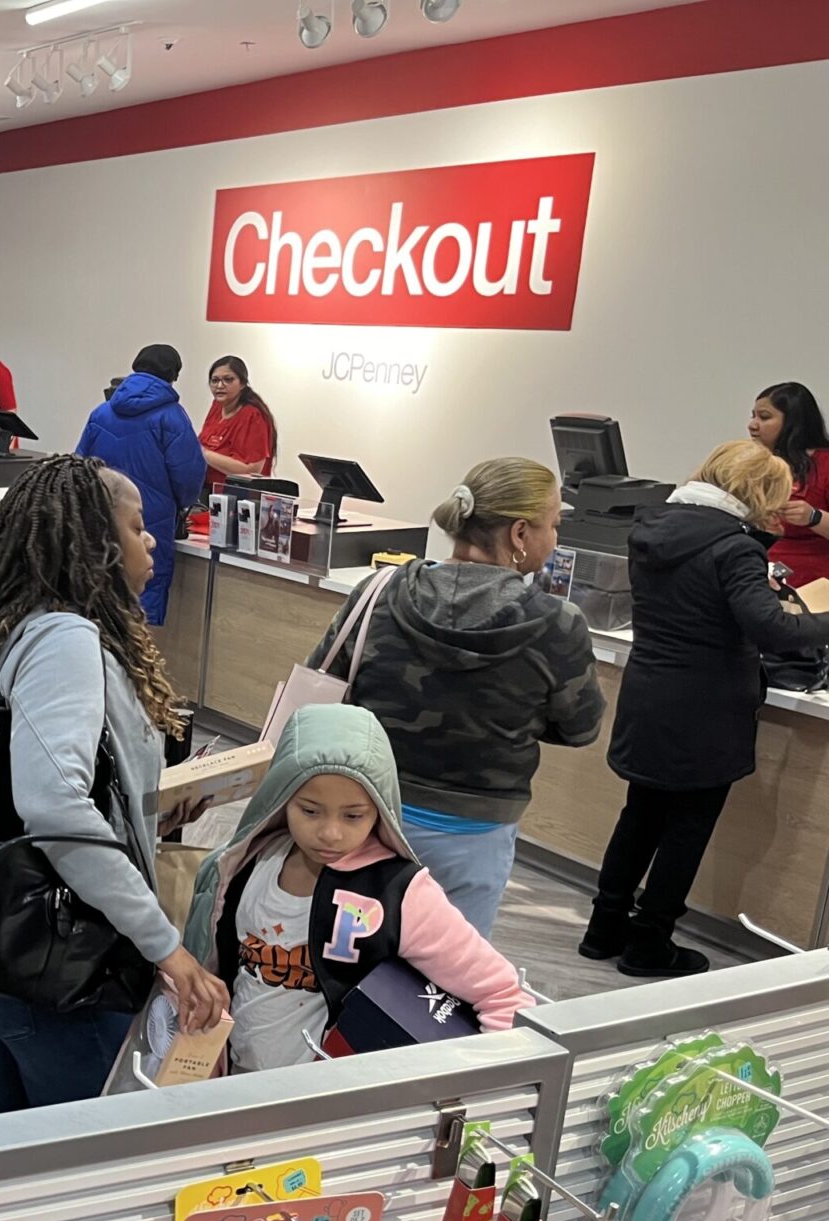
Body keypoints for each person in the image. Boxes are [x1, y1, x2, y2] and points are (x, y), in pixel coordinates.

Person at [0, 455, 230, 1113]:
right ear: (95, 542)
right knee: (79, 1146)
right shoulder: (64, 639)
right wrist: (167, 948)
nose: (151, 542)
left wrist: (149, 811)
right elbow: (54, 803)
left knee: (0, 1129)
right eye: (136, 527)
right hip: (58, 958)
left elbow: (22, 778)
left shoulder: (2, 623)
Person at [305, 459, 604, 938]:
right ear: (520, 533)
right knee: (448, 968)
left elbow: (327, 681)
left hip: (366, 812)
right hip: (474, 833)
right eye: (553, 525)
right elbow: (580, 727)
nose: (554, 539)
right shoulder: (556, 624)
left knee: (346, 948)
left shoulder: (380, 591)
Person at [583, 440, 829, 978]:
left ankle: (603, 929)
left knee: (639, 815)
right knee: (687, 828)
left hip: (649, 695)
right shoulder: (733, 547)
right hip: (705, 710)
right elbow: (773, 629)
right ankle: (650, 943)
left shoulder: (654, 527)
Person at [185, 703, 531, 1073]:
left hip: (338, 1097)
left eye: (353, 815)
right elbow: (208, 967)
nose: (330, 833)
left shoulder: (400, 892)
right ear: (281, 797)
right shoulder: (241, 865)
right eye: (310, 810)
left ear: (380, 808)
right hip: (237, 1082)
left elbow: (502, 995)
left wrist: (481, 1081)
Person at [74, 344, 206, 627]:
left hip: (99, 519)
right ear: (173, 375)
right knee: (140, 605)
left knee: (95, 595)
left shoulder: (101, 412)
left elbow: (78, 468)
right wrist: (180, 505)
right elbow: (189, 477)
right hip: (149, 524)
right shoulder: (173, 417)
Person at [750, 382, 829, 588]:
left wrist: (814, 517)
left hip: (817, 579)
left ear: (793, 422)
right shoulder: (755, 465)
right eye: (753, 416)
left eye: (764, 417)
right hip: (761, 569)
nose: (752, 425)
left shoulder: (825, 464)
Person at [198, 355, 278, 498]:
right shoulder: (217, 406)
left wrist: (203, 453)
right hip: (208, 491)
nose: (220, 386)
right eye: (215, 380)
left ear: (242, 383)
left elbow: (252, 470)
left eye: (228, 379)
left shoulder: (253, 415)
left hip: (240, 497)